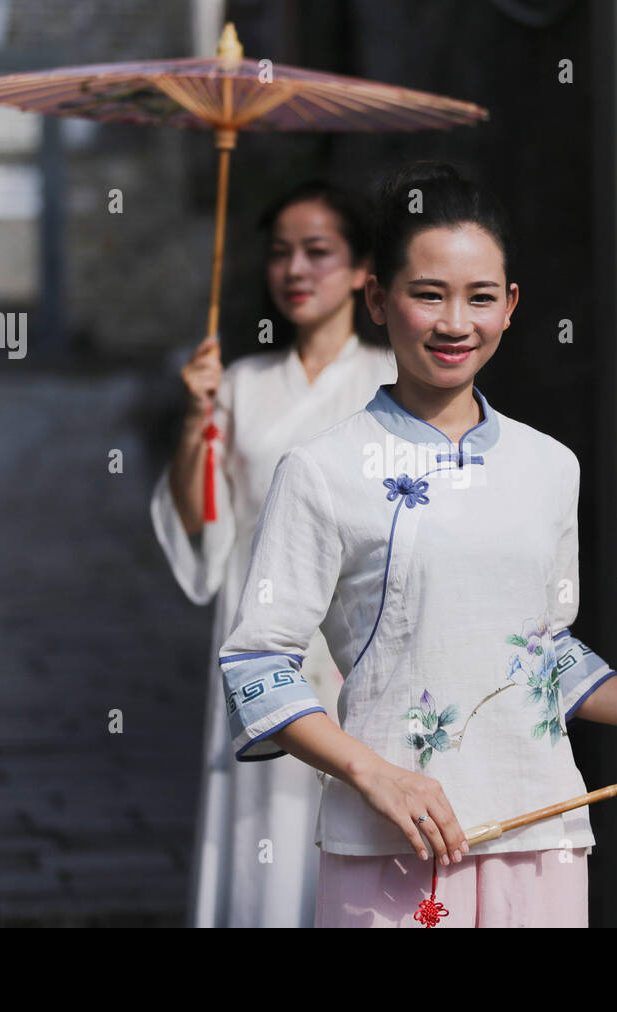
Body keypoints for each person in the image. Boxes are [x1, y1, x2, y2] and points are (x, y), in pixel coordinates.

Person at [217, 161, 617, 928]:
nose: (455, 322)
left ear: (511, 306)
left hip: (543, 831)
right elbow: (257, 663)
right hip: (389, 847)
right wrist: (375, 775)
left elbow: (542, 655)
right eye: (428, 294)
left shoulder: (549, 465)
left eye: (481, 297)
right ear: (377, 299)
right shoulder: (321, 471)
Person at [151, 180, 396, 928]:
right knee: (263, 817)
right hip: (264, 632)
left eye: (318, 252)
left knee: (363, 803)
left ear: (362, 271)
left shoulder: (393, 380)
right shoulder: (240, 384)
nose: (296, 269)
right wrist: (197, 416)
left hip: (360, 635)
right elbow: (200, 520)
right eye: (282, 253)